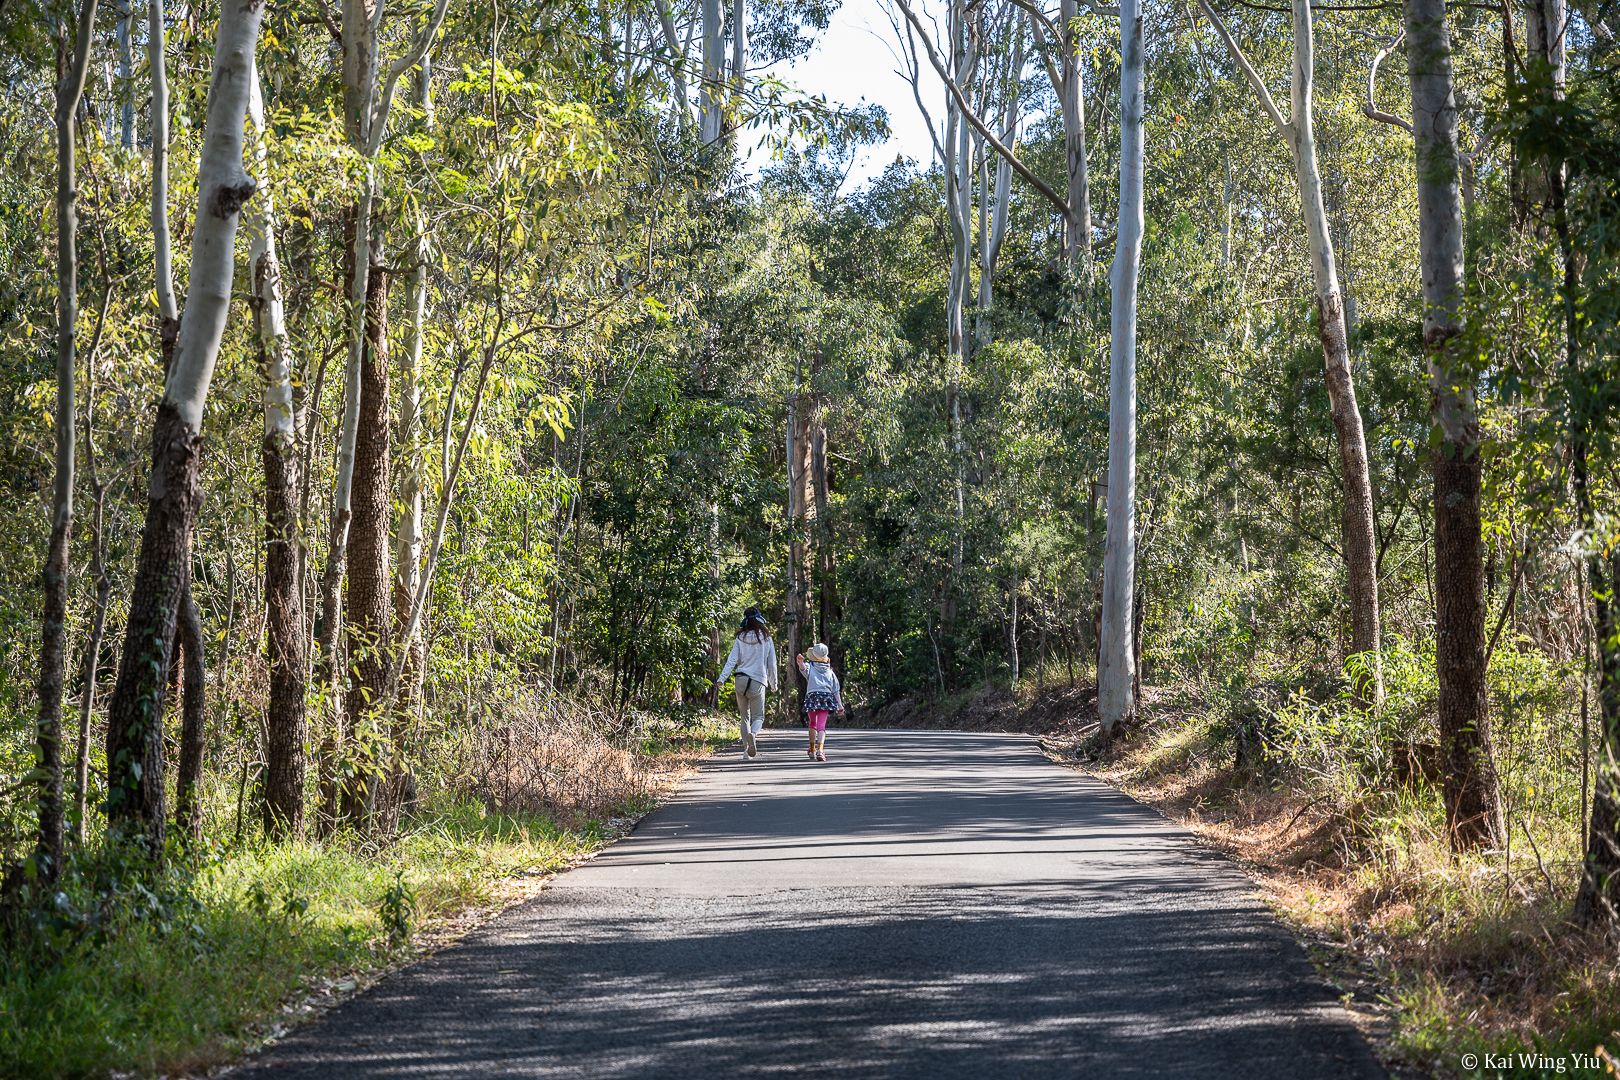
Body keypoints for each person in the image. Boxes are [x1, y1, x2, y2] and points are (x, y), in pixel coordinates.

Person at [715, 608, 778, 759]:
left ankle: (745, 752)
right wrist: (773, 683)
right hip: (757, 681)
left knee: (744, 717)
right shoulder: (766, 638)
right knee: (759, 717)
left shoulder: (740, 637)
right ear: (759, 619)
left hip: (741, 680)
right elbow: (772, 664)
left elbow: (731, 660)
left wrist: (721, 679)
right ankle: (753, 734)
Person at [796, 643, 843, 762]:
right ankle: (820, 750)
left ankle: (812, 749)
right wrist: (840, 705)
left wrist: (800, 663)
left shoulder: (810, 667)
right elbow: (835, 690)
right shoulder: (830, 671)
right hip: (826, 698)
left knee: (812, 723)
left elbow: (803, 669)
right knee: (822, 726)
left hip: (812, 697)